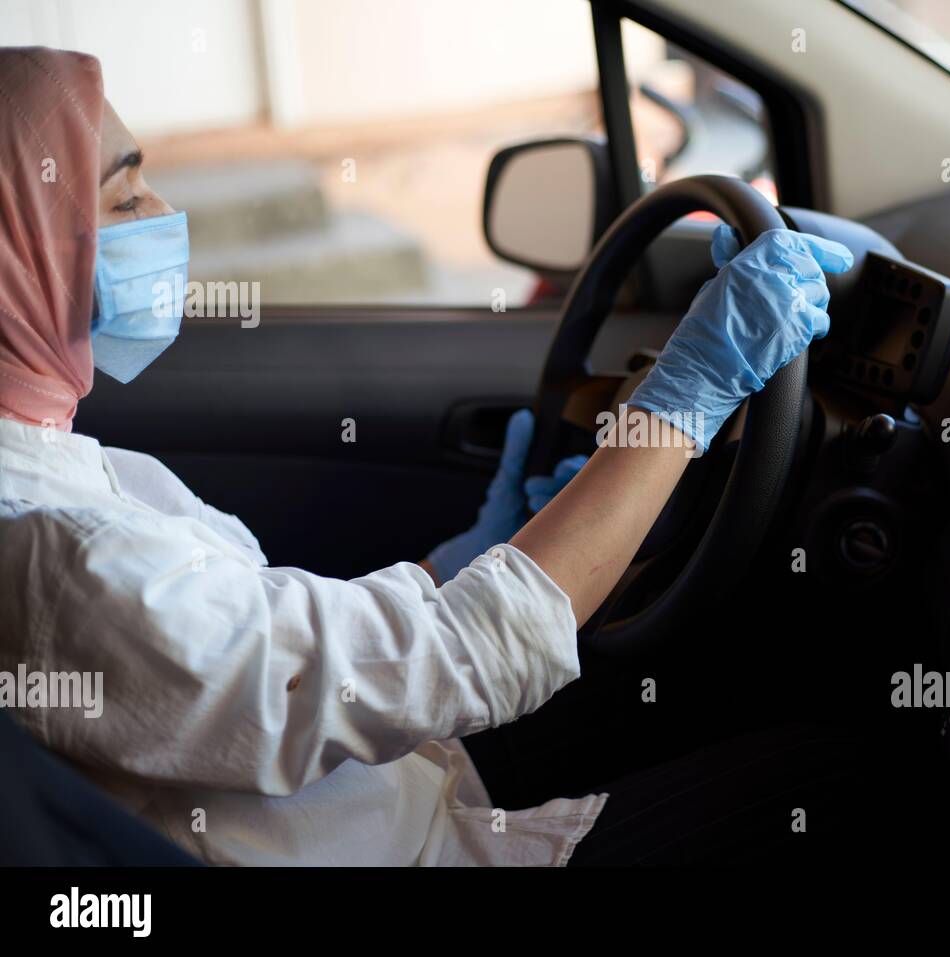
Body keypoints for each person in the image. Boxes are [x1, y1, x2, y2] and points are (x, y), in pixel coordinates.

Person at [0, 47, 853, 866]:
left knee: (719, 677)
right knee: (838, 777)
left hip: (385, 790)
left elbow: (287, 651)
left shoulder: (62, 465)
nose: (162, 215)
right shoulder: (58, 555)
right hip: (409, 845)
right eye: (122, 197)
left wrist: (463, 559)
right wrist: (686, 397)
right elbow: (434, 660)